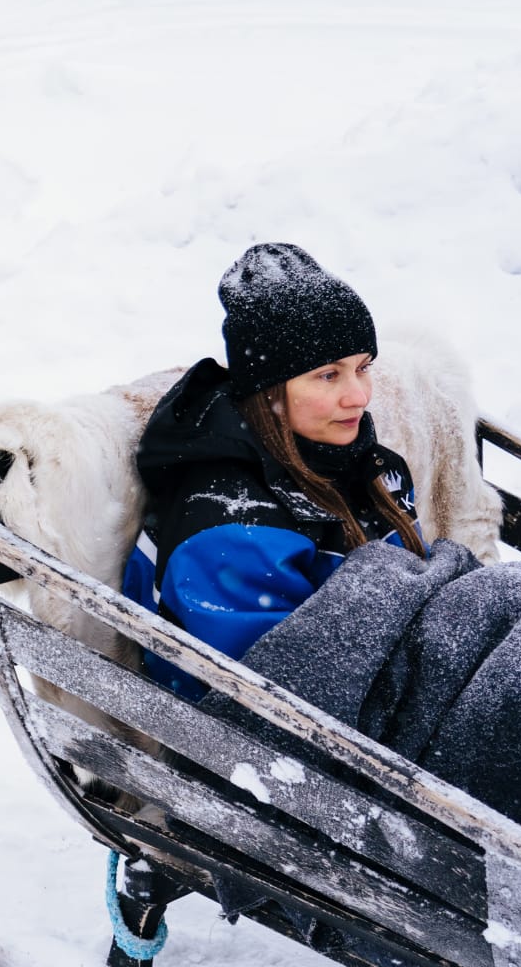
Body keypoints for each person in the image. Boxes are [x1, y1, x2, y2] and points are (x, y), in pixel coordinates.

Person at [126, 243, 425, 698]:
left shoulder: (366, 467)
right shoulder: (230, 526)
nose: (359, 397)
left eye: (363, 368)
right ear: (269, 389)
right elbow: (276, 702)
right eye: (329, 375)